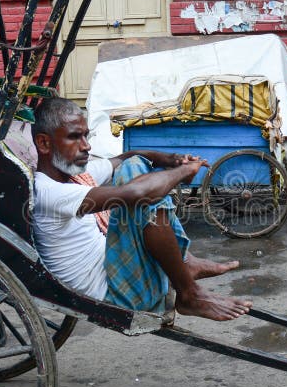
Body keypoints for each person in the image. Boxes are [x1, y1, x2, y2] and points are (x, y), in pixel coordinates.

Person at [31, 97, 252, 321]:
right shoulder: (48, 193)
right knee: (141, 192)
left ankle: (186, 264)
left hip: (119, 270)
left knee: (133, 167)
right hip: (116, 293)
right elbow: (136, 194)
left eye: (85, 136)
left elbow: (127, 157)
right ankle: (189, 293)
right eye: (74, 137)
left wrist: (171, 159)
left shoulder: (74, 176)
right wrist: (183, 172)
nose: (86, 145)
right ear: (44, 143)